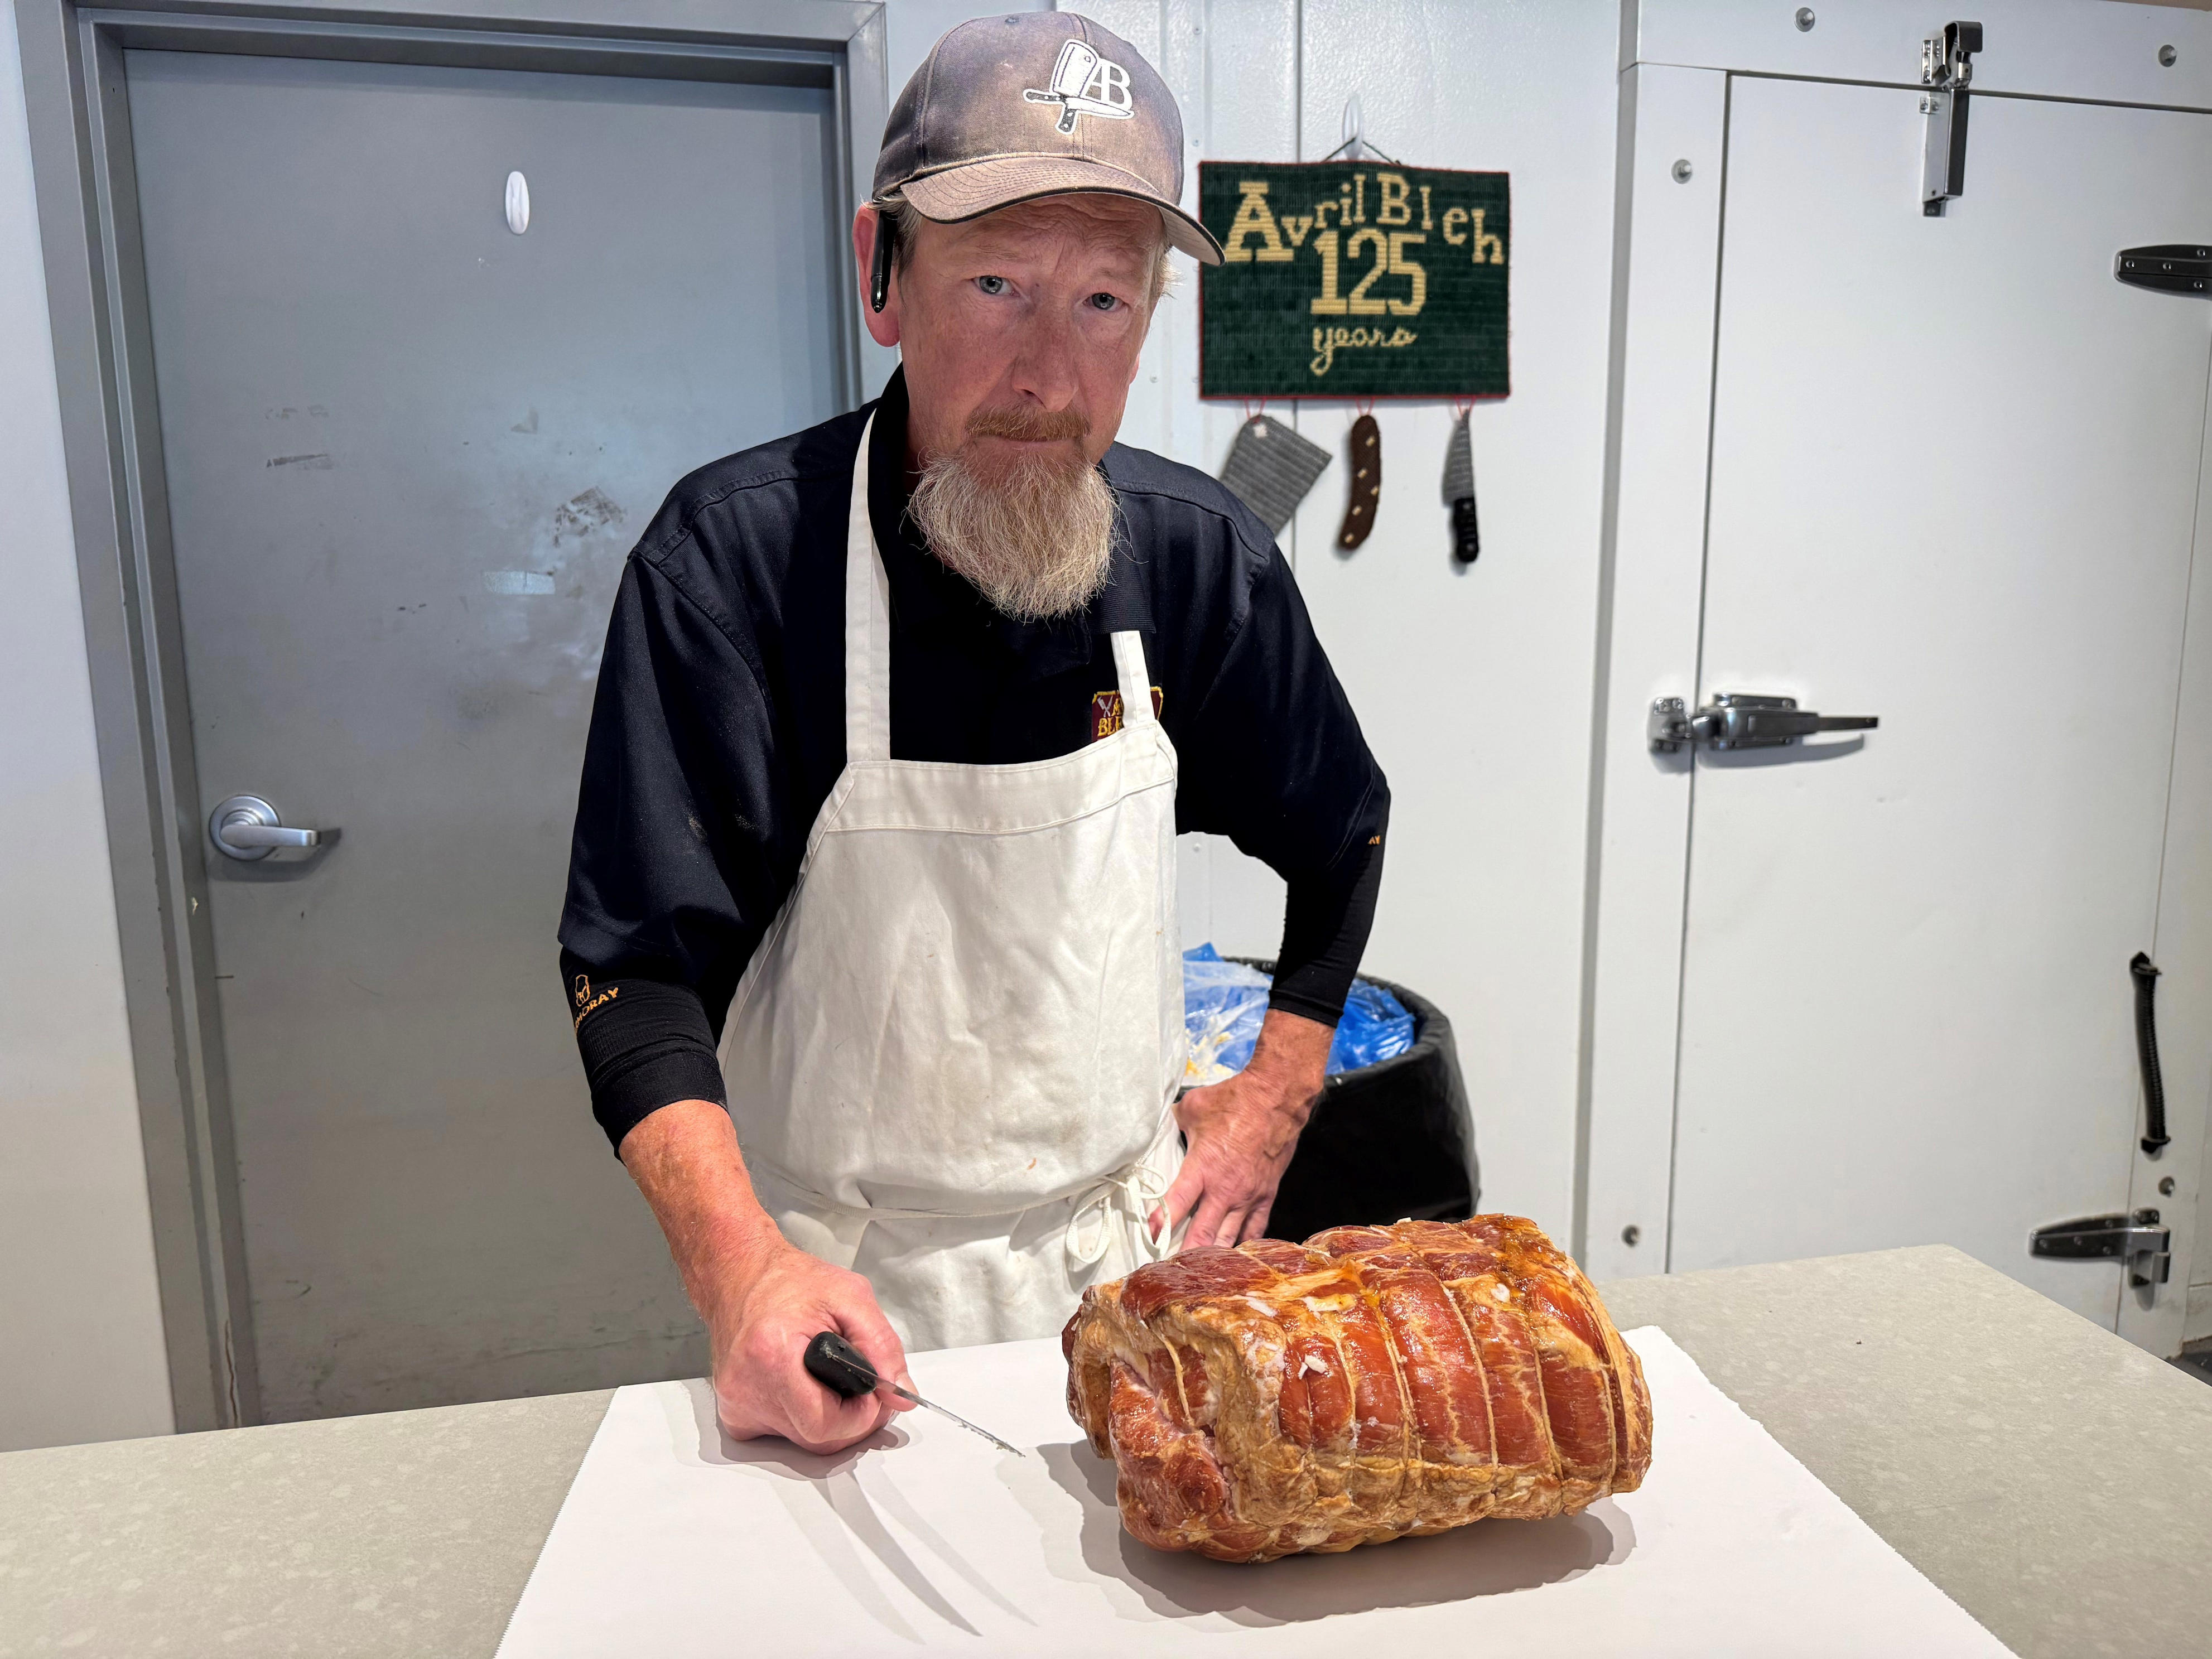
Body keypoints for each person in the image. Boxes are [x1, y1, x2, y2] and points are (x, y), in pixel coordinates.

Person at [558, 13, 1387, 1455]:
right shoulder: (739, 568)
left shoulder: (1199, 562)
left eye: (1105, 305)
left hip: (1136, 1277)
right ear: (882, 272)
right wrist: (741, 1265)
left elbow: (1342, 828)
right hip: (843, 1300)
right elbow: (633, 976)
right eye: (997, 282)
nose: (1048, 379)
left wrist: (1270, 1104)